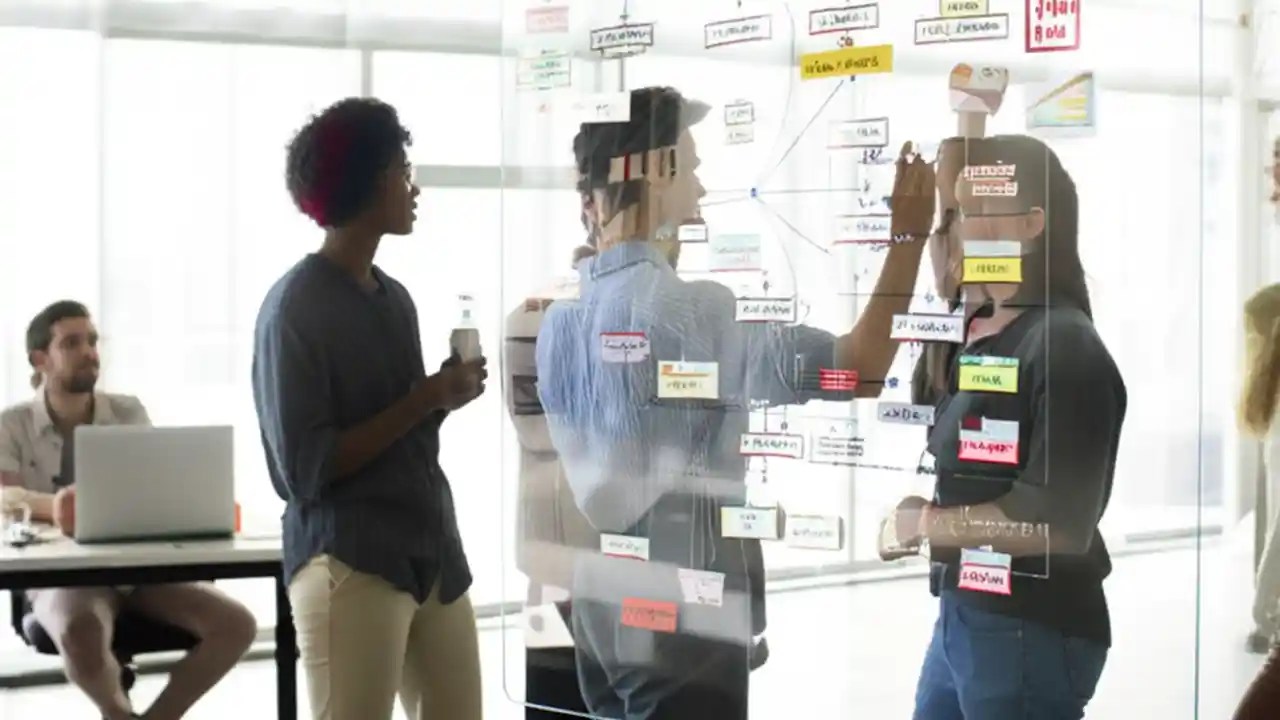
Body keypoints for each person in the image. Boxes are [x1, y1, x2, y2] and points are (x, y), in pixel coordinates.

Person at [536, 86, 936, 719]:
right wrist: (909, 238)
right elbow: (857, 371)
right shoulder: (689, 314)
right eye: (691, 168)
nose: (698, 192)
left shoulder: (557, 323)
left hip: (599, 615)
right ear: (657, 170)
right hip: (680, 617)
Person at [251, 98, 488, 720]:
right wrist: (425, 398)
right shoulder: (294, 307)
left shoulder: (394, 298)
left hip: (429, 551)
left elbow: (399, 429)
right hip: (348, 558)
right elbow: (305, 469)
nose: (414, 187)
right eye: (403, 168)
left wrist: (442, 397)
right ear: (370, 179)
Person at [890, 135, 1124, 719]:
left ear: (1031, 224)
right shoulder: (983, 336)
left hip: (1030, 626)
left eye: (971, 214)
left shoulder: (1063, 343)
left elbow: (1058, 524)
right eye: (952, 216)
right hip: (966, 615)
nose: (953, 235)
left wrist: (931, 524)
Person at [0, 300, 257, 720]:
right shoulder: (12, 424)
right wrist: (61, 508)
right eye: (72, 343)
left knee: (237, 625)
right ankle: (117, 713)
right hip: (60, 579)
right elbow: (5, 501)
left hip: (136, 572)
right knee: (82, 629)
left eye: (93, 341)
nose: (90, 352)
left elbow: (151, 490)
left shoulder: (127, 411)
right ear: (39, 359)